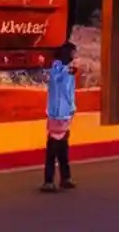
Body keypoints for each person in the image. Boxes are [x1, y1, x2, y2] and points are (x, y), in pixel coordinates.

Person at [41, 41, 77, 192]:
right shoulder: (60, 71)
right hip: (58, 114)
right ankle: (49, 180)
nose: (74, 56)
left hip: (63, 114)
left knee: (62, 147)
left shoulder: (64, 71)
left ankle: (64, 178)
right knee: (54, 148)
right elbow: (62, 88)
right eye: (73, 53)